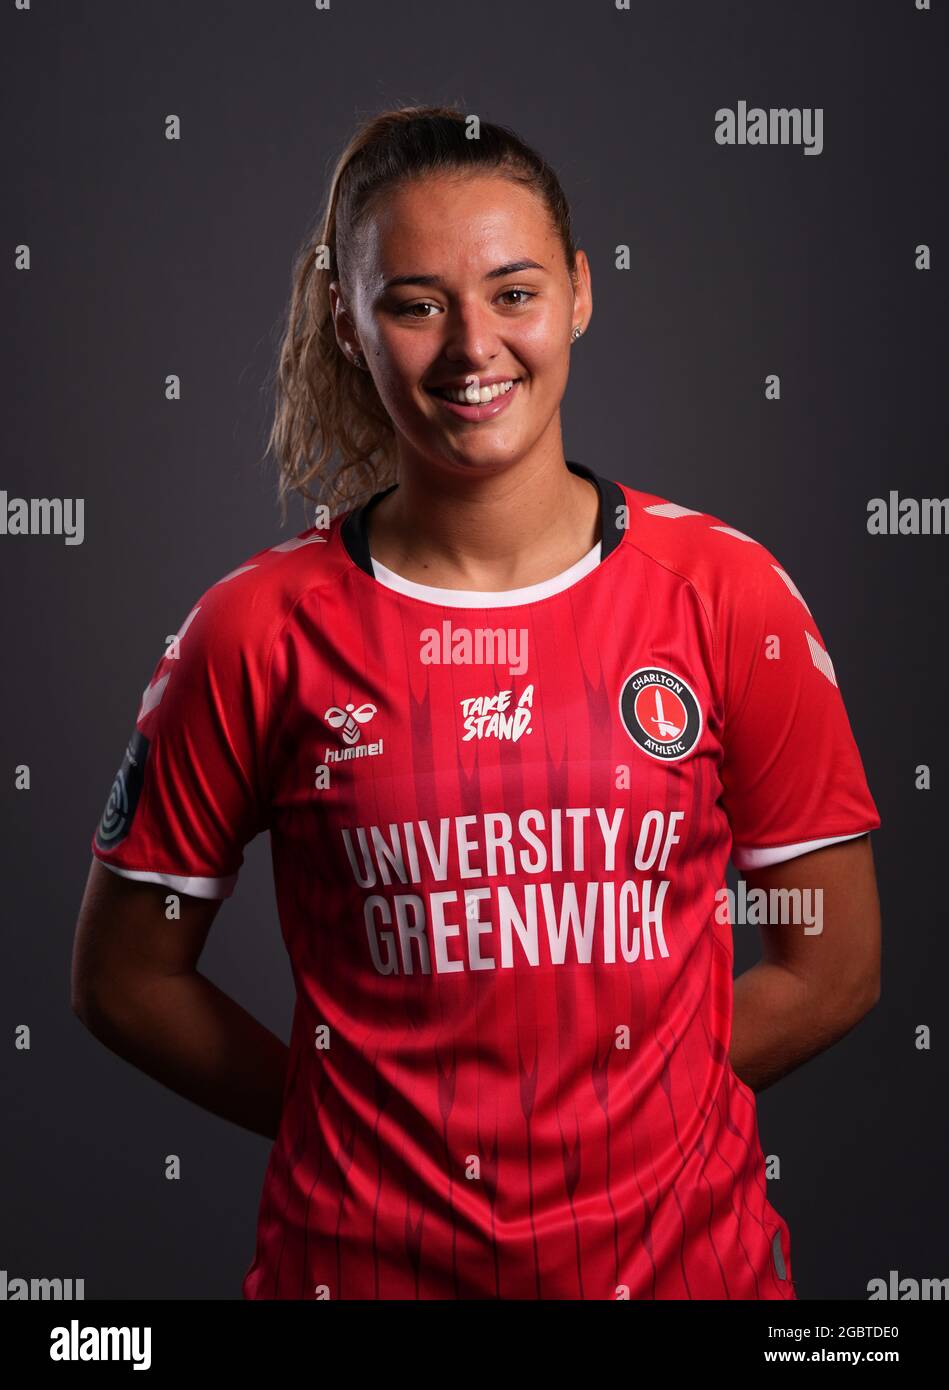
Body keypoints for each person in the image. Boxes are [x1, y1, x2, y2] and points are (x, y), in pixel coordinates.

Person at [71, 105, 882, 1300]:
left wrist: (629, 1112)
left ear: (580, 294)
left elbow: (836, 965)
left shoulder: (727, 593)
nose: (471, 347)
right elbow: (123, 978)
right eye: (413, 302)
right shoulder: (254, 629)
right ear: (349, 326)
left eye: (513, 292)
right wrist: (343, 1116)